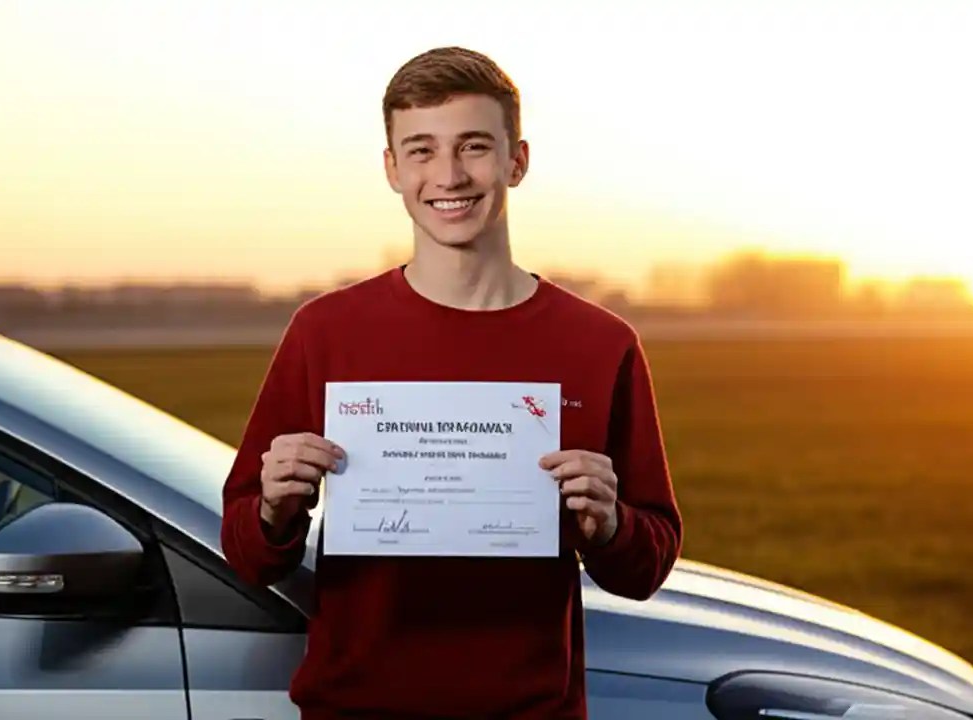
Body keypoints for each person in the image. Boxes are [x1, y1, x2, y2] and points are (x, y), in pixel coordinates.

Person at [221, 46, 683, 720]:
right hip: (354, 710)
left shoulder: (600, 344)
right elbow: (247, 553)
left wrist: (609, 526)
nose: (449, 176)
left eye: (473, 147)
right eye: (421, 151)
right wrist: (274, 510)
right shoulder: (324, 333)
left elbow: (647, 566)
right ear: (391, 169)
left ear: (516, 161)